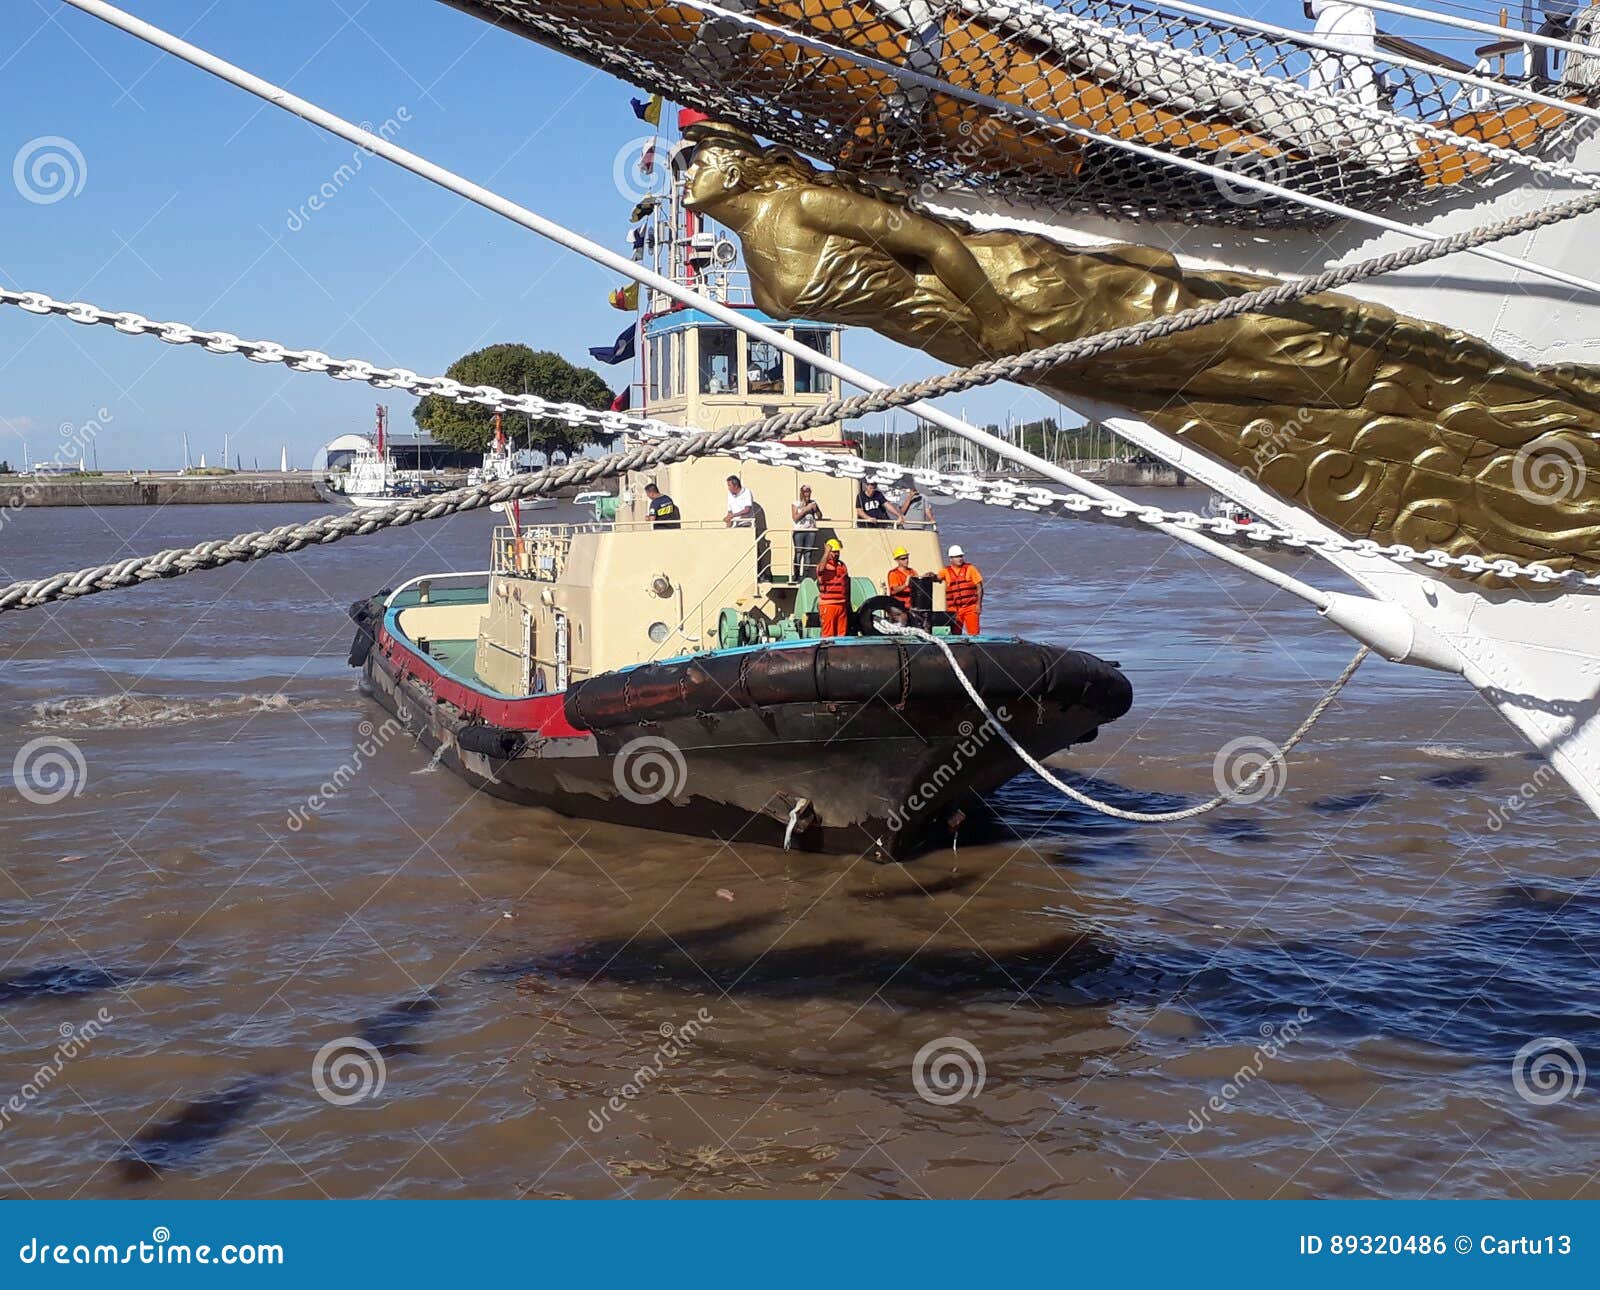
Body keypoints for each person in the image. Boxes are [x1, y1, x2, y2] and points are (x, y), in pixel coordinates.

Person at [1305, 0, 1378, 106]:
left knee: (1321, 80)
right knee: (1362, 83)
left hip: (1329, 17)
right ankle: (1367, 116)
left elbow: (1308, 10)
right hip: (1361, 17)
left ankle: (1316, 110)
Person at [937, 544, 984, 636]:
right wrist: (929, 575)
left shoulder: (970, 569)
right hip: (954, 609)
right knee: (955, 633)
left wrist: (978, 605)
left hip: (970, 607)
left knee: (974, 633)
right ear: (951, 559)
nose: (959, 559)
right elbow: (936, 578)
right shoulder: (945, 571)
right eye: (957, 557)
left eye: (961, 556)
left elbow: (979, 587)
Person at [816, 538, 851, 637]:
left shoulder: (842, 566)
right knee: (828, 634)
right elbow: (820, 569)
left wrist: (847, 603)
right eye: (834, 552)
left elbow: (846, 585)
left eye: (837, 552)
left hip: (841, 604)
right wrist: (826, 552)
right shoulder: (823, 566)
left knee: (842, 633)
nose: (836, 554)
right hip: (828, 605)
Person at [791, 483, 822, 579]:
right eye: (805, 492)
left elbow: (820, 516)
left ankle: (805, 575)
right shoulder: (796, 504)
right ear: (801, 493)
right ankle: (796, 575)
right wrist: (805, 510)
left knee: (808, 553)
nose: (807, 494)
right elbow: (795, 518)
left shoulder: (813, 503)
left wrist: (816, 509)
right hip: (799, 530)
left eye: (808, 491)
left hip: (811, 530)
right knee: (798, 552)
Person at [885, 546, 918, 612]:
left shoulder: (912, 571)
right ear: (897, 560)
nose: (906, 560)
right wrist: (905, 585)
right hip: (899, 608)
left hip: (912, 607)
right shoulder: (893, 573)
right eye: (903, 559)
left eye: (907, 558)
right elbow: (893, 591)